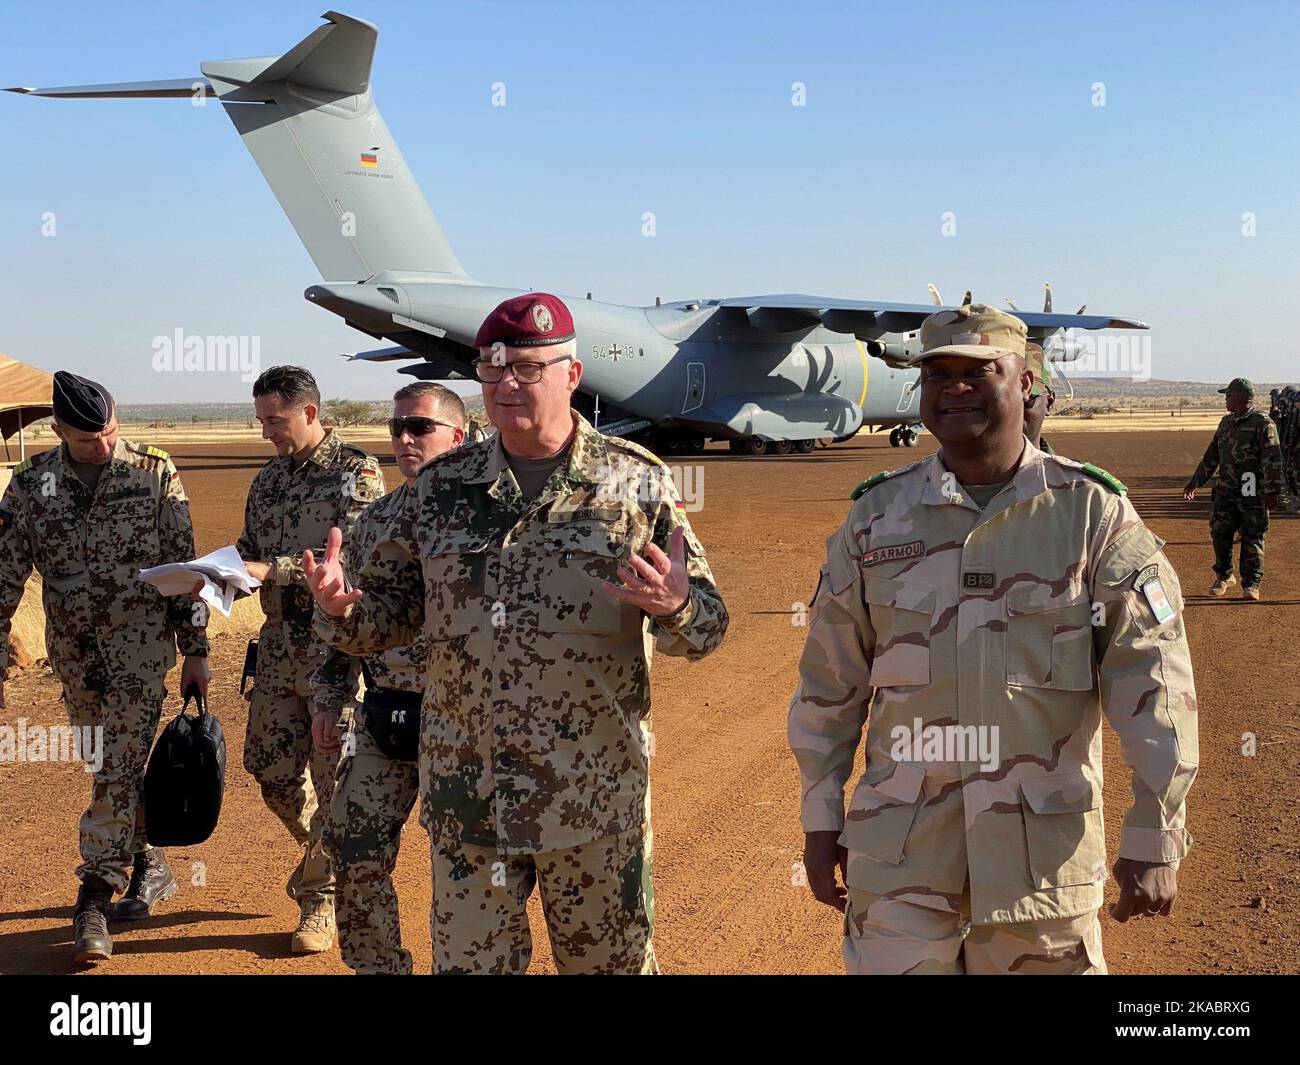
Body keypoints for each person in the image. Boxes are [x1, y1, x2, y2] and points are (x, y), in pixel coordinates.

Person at [305, 293, 728, 974]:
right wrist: (340, 610)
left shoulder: (634, 482)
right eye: (492, 368)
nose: (505, 383)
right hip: (468, 803)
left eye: (527, 368)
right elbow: (393, 619)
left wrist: (677, 604)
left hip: (589, 805)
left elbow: (707, 629)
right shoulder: (439, 489)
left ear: (572, 374)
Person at [789, 304, 1199, 975]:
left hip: (1041, 875)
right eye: (937, 374)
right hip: (902, 869)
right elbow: (828, 686)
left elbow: (1155, 683)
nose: (954, 387)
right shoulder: (875, 520)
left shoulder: (1091, 516)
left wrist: (1156, 832)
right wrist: (818, 818)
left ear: (1028, 383)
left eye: (979, 371)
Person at [0, 371, 210, 963]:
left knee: (115, 765)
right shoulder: (31, 481)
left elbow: (186, 566)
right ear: (59, 428)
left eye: (111, 429)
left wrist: (196, 649)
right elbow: (4, 573)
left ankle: (95, 892)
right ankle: (150, 864)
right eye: (89, 437)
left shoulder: (154, 471)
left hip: (140, 647)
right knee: (103, 760)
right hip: (73, 652)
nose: (104, 443)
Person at [313, 382, 466, 974]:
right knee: (353, 845)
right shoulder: (373, 522)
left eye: (419, 427)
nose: (404, 438)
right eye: (397, 426)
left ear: (458, 434)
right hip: (386, 716)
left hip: (462, 720)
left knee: (465, 864)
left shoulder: (484, 520)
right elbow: (343, 618)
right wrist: (330, 698)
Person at [237, 365, 384, 953]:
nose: (267, 431)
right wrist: (222, 574)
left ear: (310, 413)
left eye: (275, 419)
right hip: (276, 650)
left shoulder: (357, 473)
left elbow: (360, 556)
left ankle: (321, 900)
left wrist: (275, 569)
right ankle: (319, 852)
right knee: (268, 770)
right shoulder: (266, 481)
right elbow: (250, 550)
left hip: (334, 650)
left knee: (334, 778)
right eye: (261, 421)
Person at [1182, 377, 1282, 600]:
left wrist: (1272, 490)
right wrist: (1195, 482)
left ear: (1242, 397)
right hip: (1225, 489)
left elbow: (1273, 458)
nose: (1225, 399)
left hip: (1251, 490)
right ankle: (1224, 575)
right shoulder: (1225, 423)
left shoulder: (1263, 423)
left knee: (1252, 536)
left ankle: (1251, 583)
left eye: (1228, 395)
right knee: (1220, 533)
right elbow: (1211, 456)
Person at [1022, 341, 1056, 454]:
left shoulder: (1063, 472)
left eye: (1025, 400)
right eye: (1004, 397)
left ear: (1049, 403)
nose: (1013, 409)